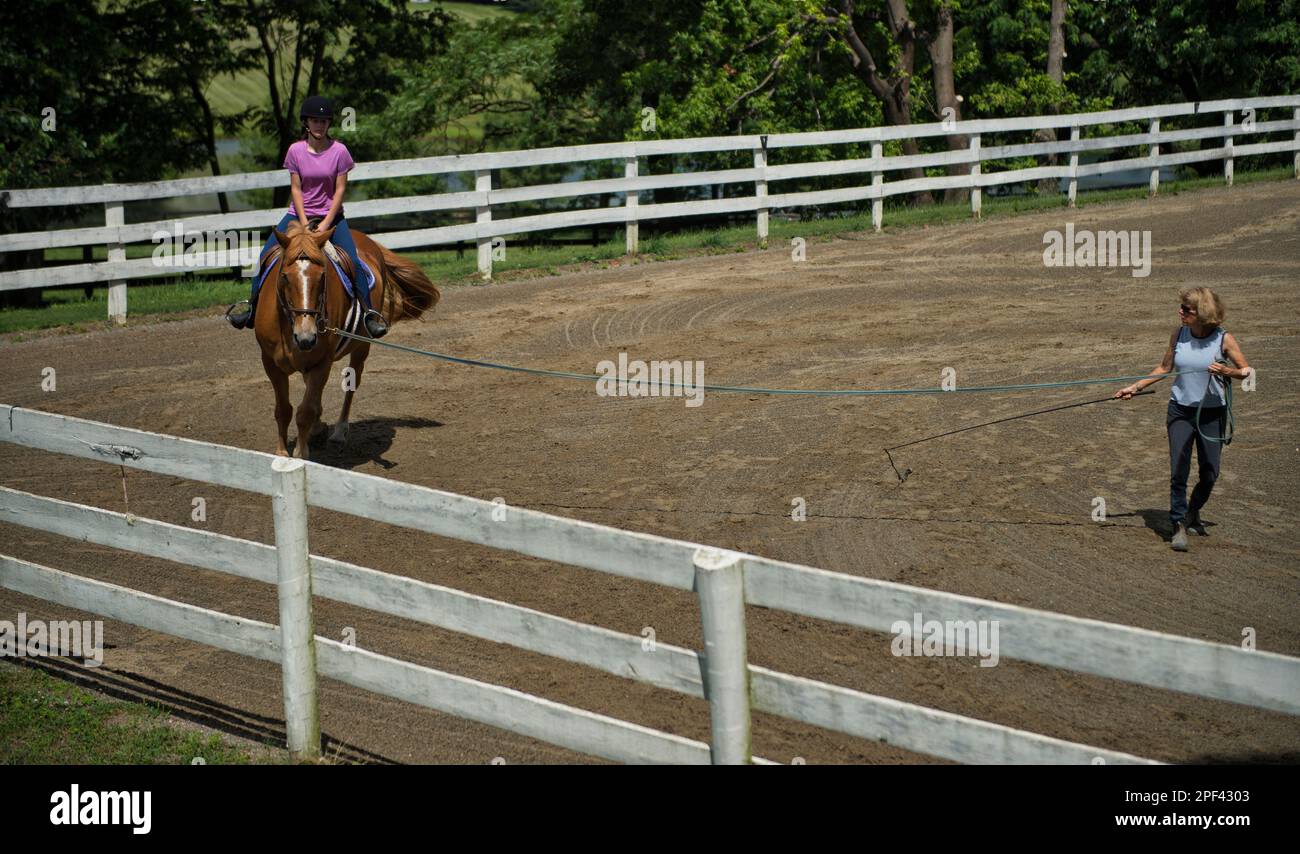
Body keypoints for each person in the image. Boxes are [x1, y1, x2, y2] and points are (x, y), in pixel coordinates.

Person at [227, 95, 387, 338]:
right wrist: (303, 222)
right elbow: (296, 189)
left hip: (331, 218)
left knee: (352, 262)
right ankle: (251, 308)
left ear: (329, 124)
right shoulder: (295, 151)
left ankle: (369, 314)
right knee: (264, 256)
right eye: (314, 121)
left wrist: (324, 224)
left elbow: (340, 190)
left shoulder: (340, 151)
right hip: (296, 215)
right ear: (306, 123)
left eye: (323, 121)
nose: (319, 126)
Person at [1114, 287, 1250, 551]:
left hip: (1212, 413)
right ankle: (1178, 524)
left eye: (1186, 309)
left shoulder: (1224, 339)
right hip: (1180, 410)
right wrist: (1135, 387)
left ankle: (1192, 511)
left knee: (1210, 473)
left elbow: (1246, 371)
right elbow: (1164, 368)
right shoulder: (1178, 334)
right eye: (1181, 308)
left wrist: (1226, 370)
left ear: (1202, 312)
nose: (1180, 312)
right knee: (1179, 468)